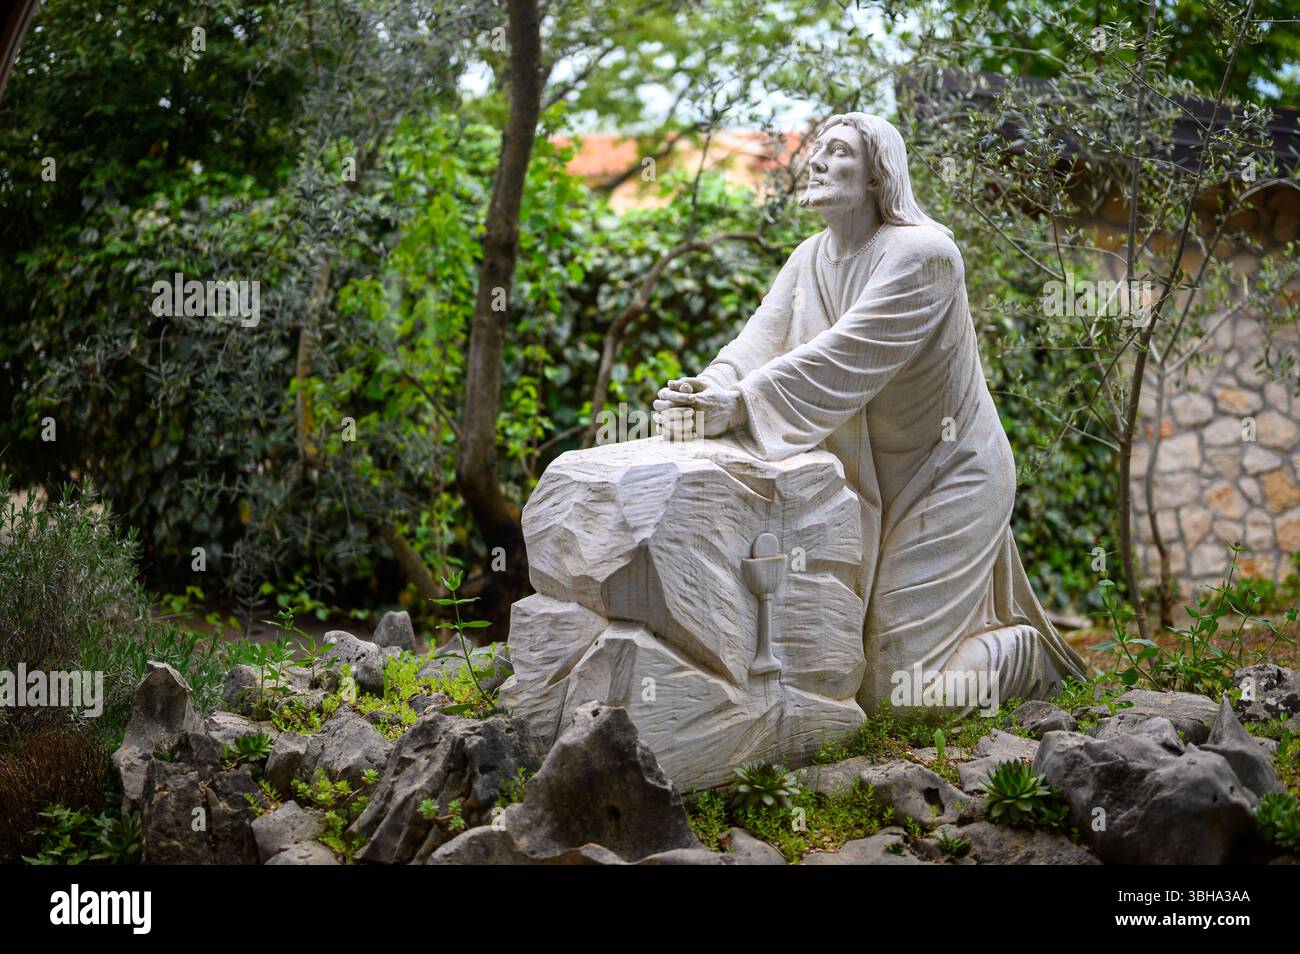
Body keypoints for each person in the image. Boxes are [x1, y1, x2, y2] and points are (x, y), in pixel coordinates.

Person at [654, 112, 1086, 715]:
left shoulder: (925, 255)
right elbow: (759, 341)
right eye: (817, 151)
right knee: (858, 674)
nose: (818, 162)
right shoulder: (810, 257)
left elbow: (844, 357)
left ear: (879, 174)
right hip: (878, 475)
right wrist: (708, 387)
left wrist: (742, 405)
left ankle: (1026, 659)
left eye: (837, 151)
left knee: (899, 693)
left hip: (950, 476)